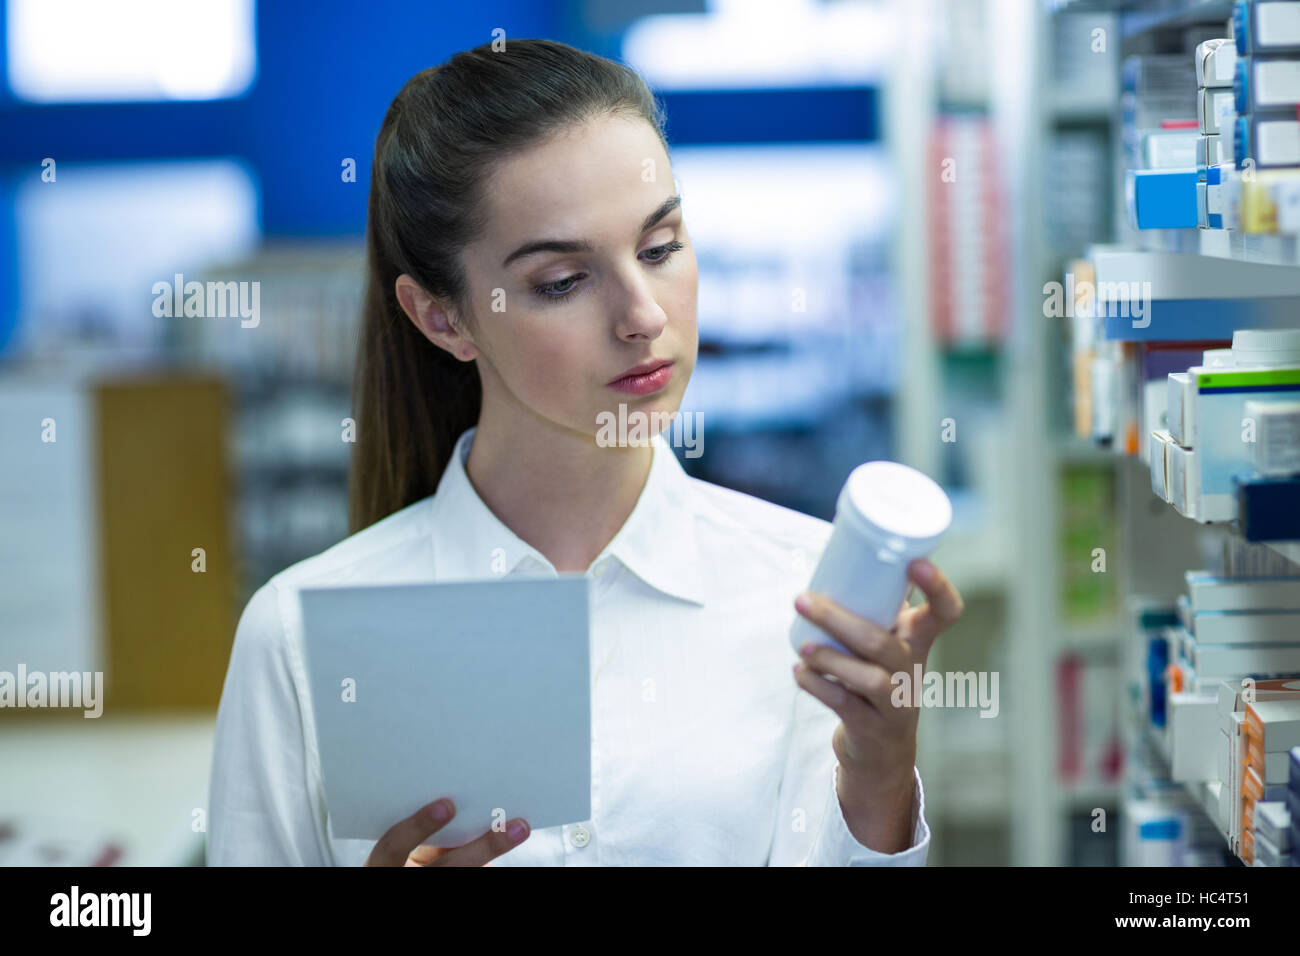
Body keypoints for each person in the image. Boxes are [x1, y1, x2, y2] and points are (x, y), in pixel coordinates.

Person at [207, 37, 964, 867]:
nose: (643, 315)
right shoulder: (298, 634)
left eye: (660, 247)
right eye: (563, 282)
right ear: (442, 318)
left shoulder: (806, 593)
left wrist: (883, 777)